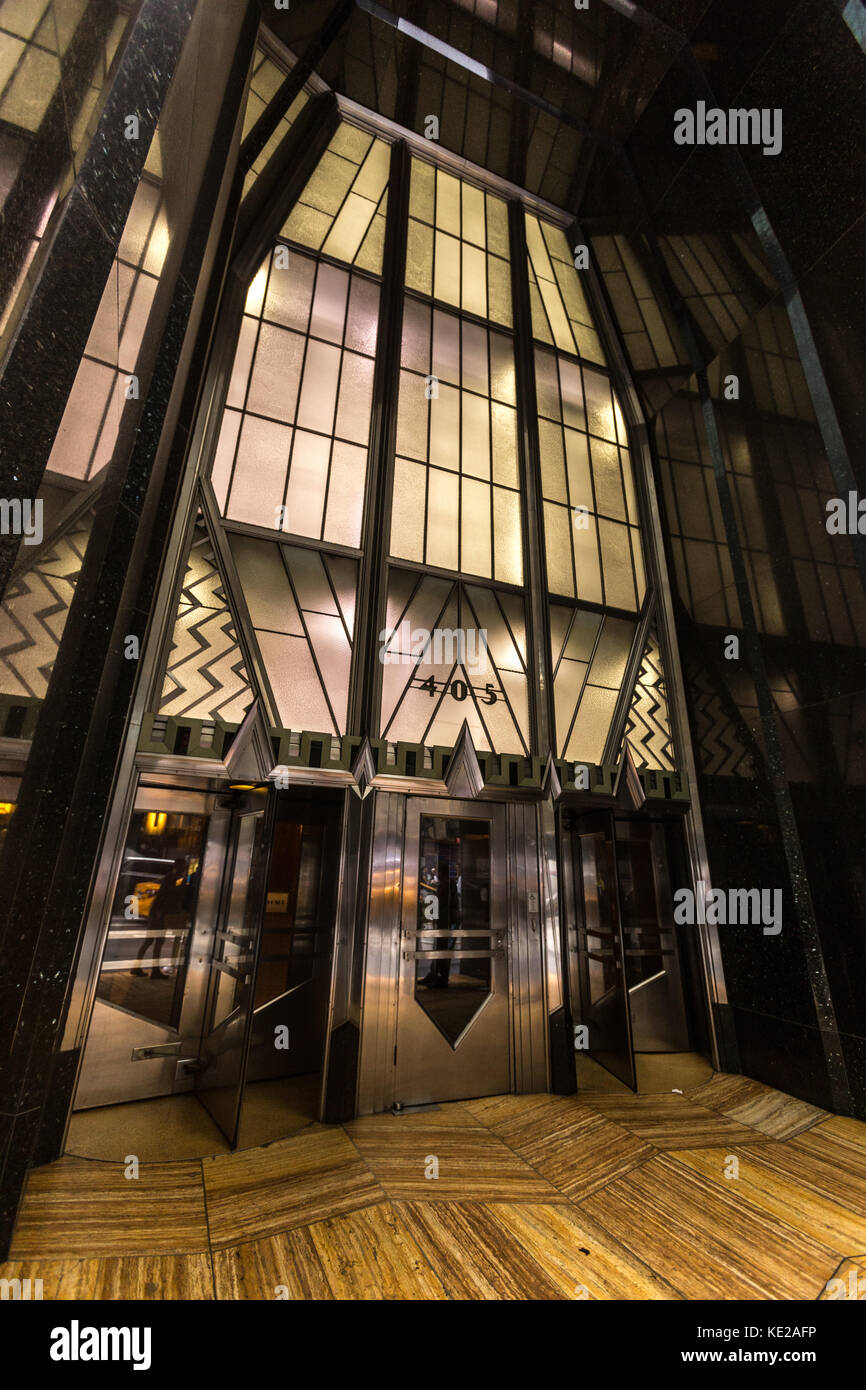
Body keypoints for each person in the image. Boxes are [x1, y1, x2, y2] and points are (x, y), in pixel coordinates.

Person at [132, 857, 188, 978]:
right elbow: (165, 895)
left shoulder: (171, 877)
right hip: (159, 914)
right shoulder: (171, 877)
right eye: (183, 867)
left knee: (151, 941)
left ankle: (138, 967)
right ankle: (154, 970)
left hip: (157, 913)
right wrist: (159, 913)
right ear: (179, 867)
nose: (184, 870)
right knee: (157, 942)